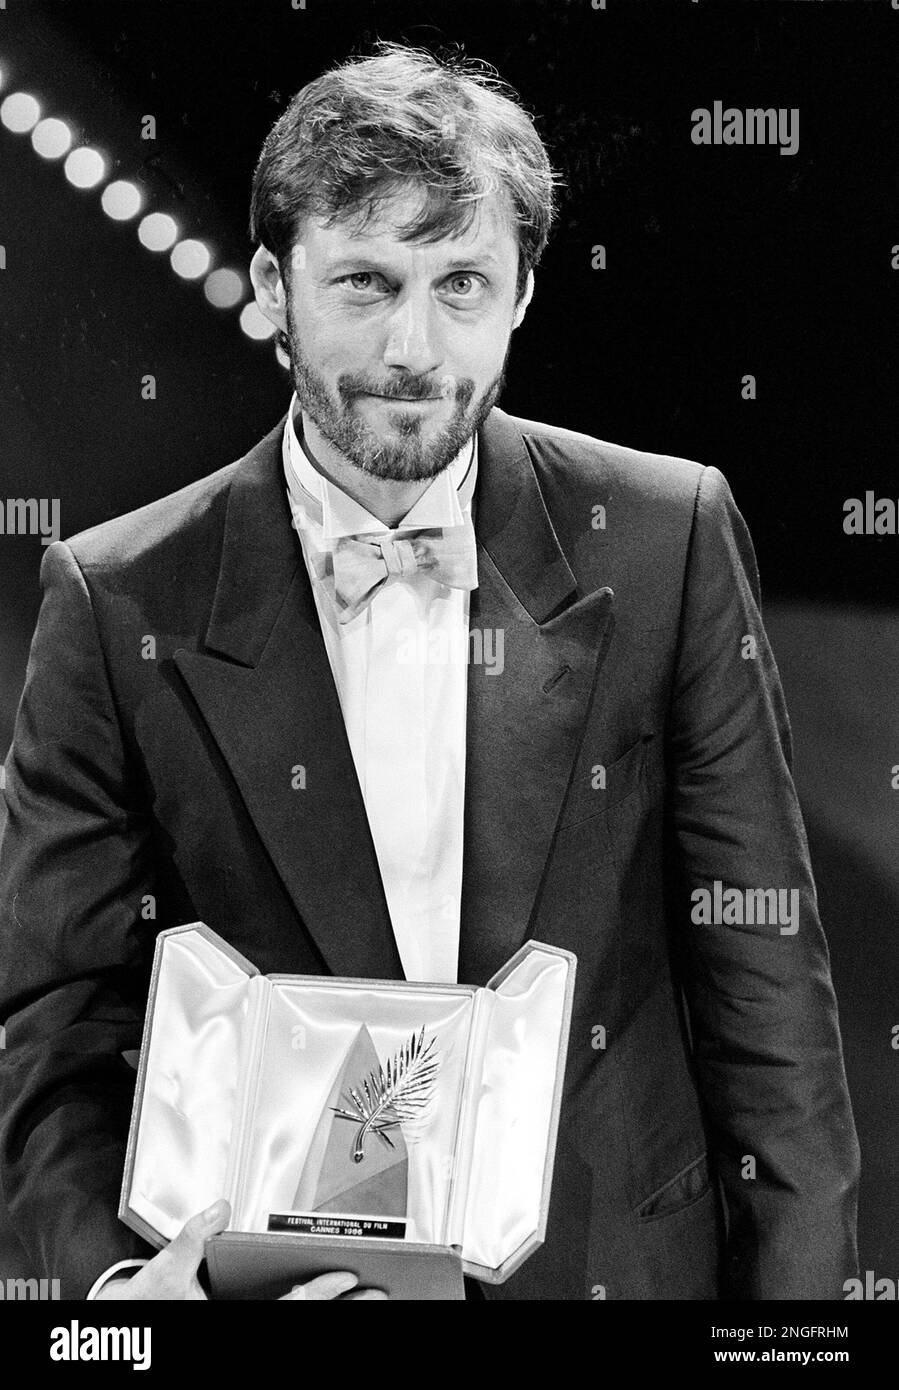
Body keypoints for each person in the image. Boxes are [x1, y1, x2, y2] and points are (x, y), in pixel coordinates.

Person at [0, 42, 859, 1302]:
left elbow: (767, 996)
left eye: (460, 282)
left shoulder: (667, 532)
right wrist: (116, 1305)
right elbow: (51, 1027)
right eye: (363, 280)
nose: (413, 345)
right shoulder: (114, 595)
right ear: (271, 287)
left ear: (517, 296)